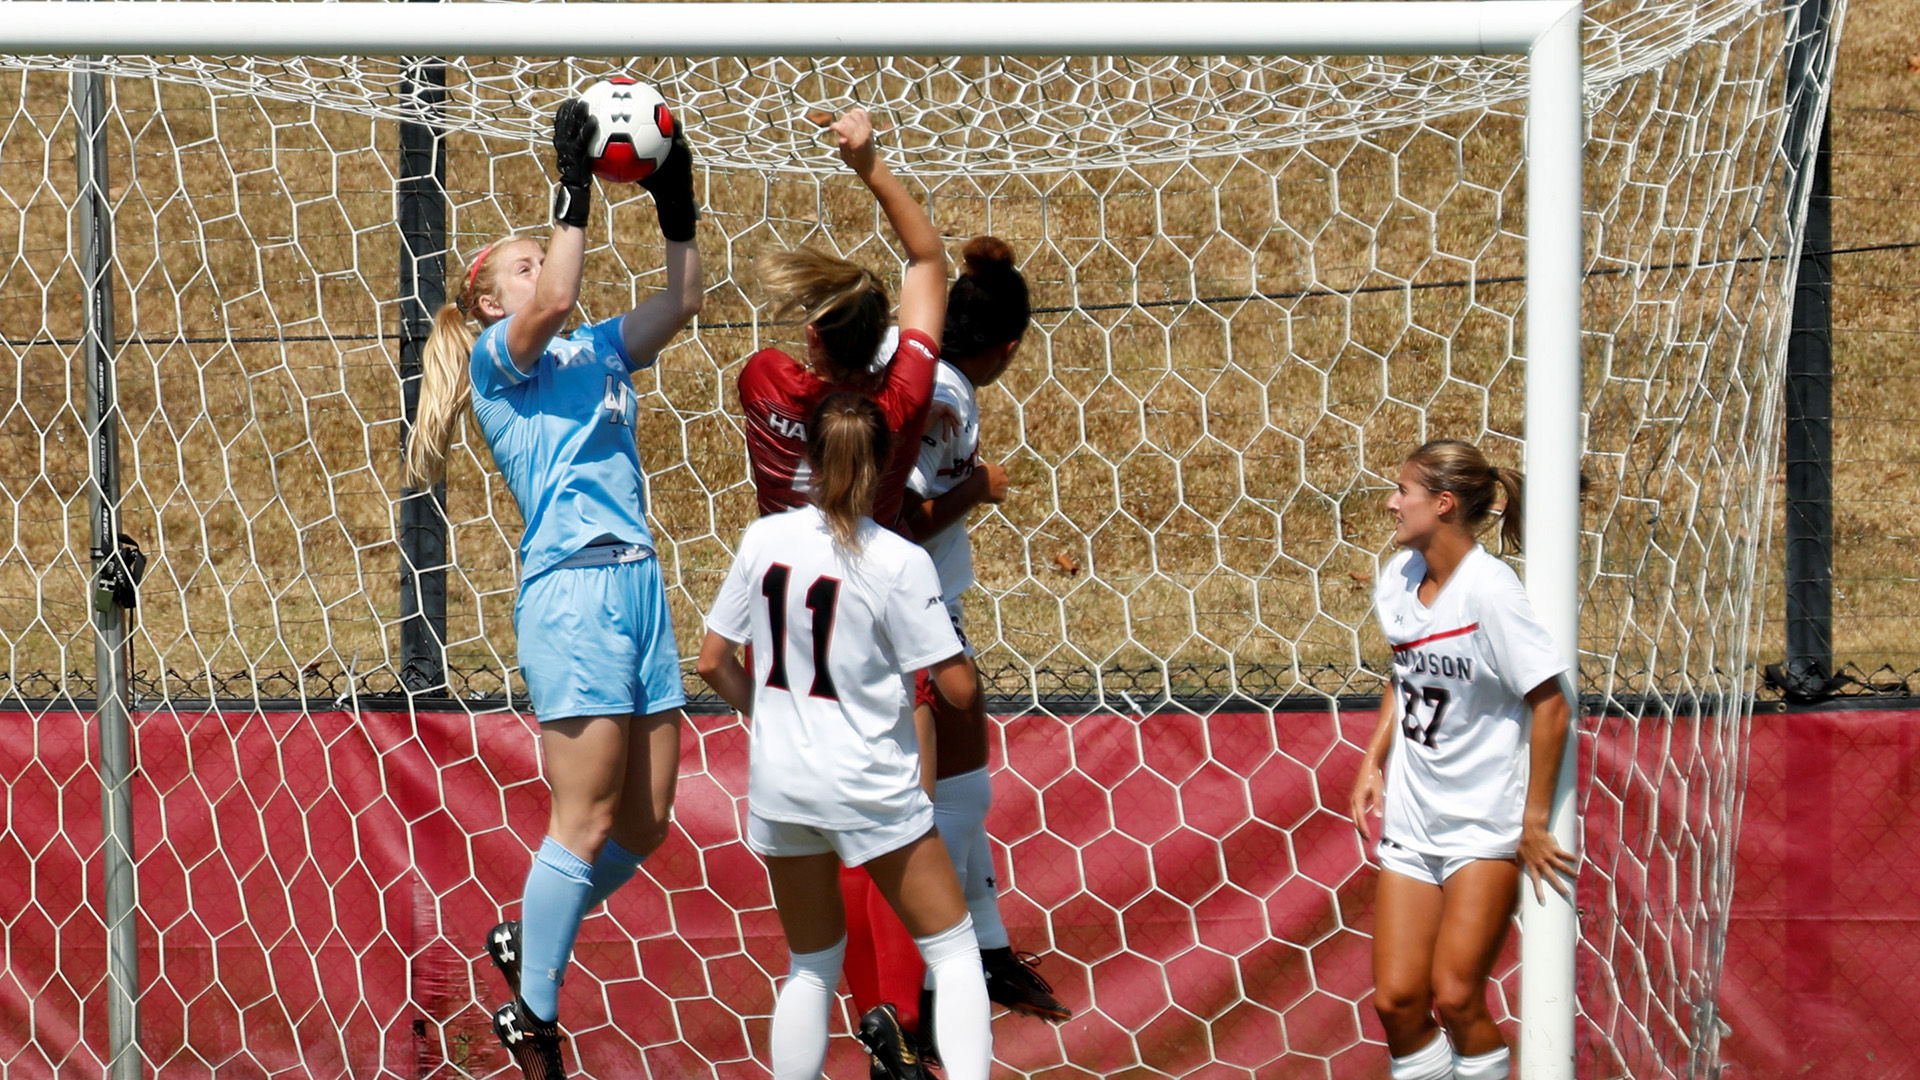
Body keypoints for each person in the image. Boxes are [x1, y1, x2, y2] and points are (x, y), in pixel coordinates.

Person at [404, 95, 703, 1080]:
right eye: (522, 265)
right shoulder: (504, 363)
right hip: (573, 595)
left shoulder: (600, 349)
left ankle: (527, 941)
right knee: (582, 820)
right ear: (492, 304)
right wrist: (573, 186)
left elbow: (683, 303)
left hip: (640, 587)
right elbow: (559, 299)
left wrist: (675, 202)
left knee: (646, 822)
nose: (543, 269)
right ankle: (532, 1015)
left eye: (544, 254)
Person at [734, 107, 949, 1072]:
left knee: (814, 888)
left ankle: (862, 1022)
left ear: (814, 340)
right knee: (900, 833)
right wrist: (871, 164)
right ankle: (896, 1022)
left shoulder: (765, 380)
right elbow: (929, 261)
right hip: (880, 620)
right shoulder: (900, 399)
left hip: (784, 644)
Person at [697, 393, 993, 1080]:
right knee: (954, 951)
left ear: (809, 455)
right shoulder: (897, 560)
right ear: (886, 464)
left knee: (810, 965)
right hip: (867, 784)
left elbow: (712, 660)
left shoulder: (763, 540)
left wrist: (773, 720)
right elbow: (956, 689)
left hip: (782, 785)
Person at [1348, 440, 1579, 1080]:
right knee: (1396, 1002)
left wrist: (1534, 824)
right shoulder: (1399, 576)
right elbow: (1404, 672)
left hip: (1482, 826)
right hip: (1413, 820)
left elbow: (1551, 706)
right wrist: (1373, 760)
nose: (1391, 503)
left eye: (1404, 492)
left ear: (1444, 504)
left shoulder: (1490, 591)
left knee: (1455, 995)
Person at [901, 236, 1070, 1032]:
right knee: (956, 786)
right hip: (912, 603)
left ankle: (988, 950)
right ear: (1007, 348)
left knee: (966, 780)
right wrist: (978, 485)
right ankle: (934, 971)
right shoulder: (942, 396)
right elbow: (901, 517)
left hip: (931, 598)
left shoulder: (929, 372)